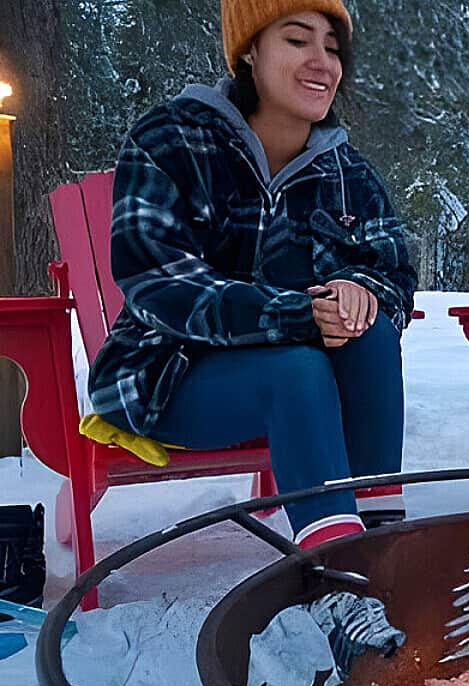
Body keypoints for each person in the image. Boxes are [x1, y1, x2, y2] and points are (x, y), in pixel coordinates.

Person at [86, 0, 417, 548]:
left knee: (369, 328)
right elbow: (157, 279)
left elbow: (393, 271)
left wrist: (361, 292)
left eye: (333, 48)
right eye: (297, 40)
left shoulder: (347, 171)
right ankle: (336, 580)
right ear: (250, 52)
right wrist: (295, 316)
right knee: (297, 368)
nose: (322, 62)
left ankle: (383, 544)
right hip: (169, 373)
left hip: (302, 382)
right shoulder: (173, 140)